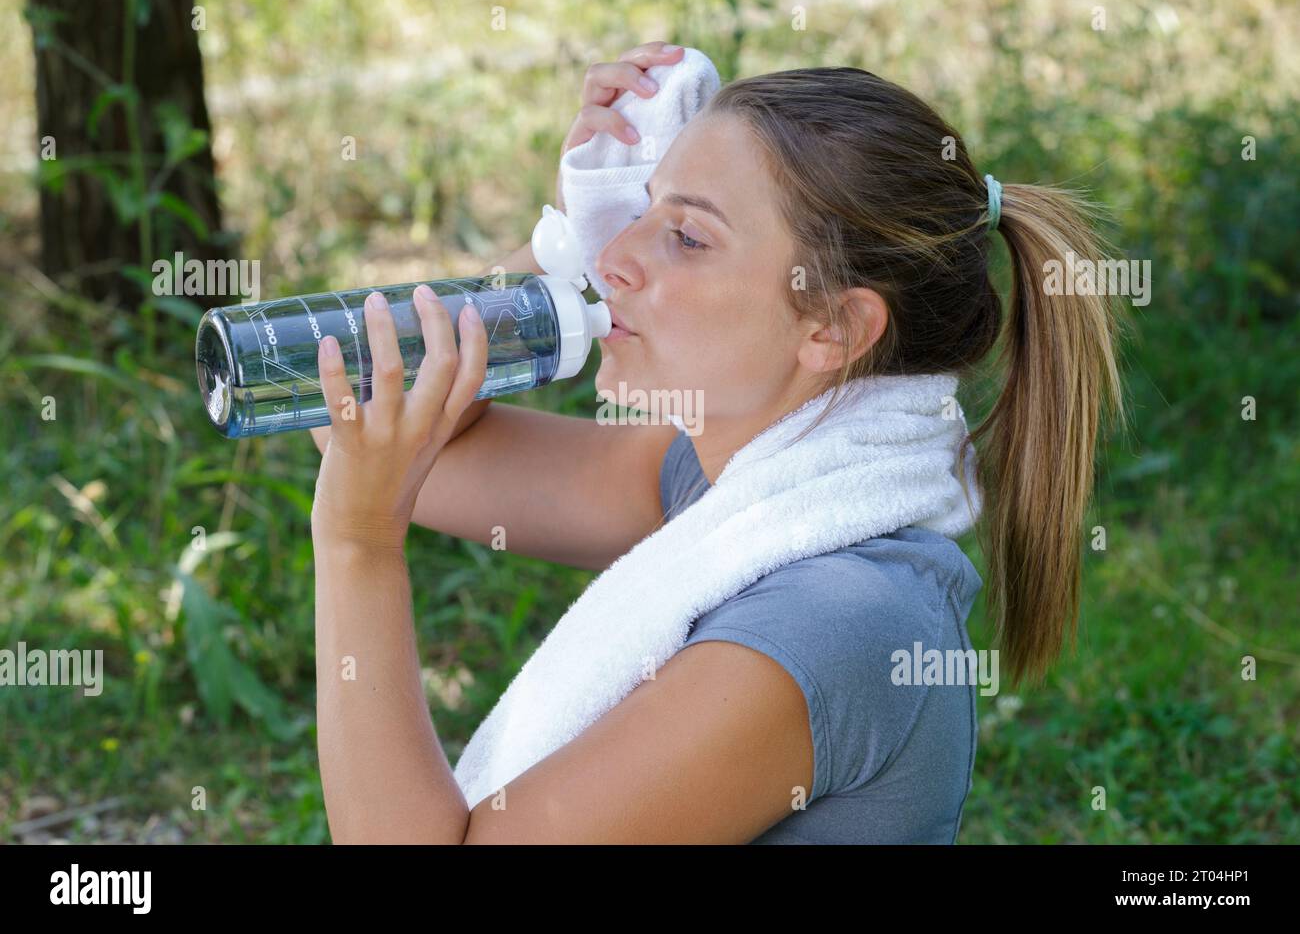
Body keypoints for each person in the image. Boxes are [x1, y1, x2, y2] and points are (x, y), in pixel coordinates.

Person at [307, 41, 1127, 844]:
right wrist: (562, 236)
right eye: (638, 209)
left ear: (835, 327)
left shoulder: (834, 624)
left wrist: (356, 545)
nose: (614, 259)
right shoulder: (737, 486)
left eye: (688, 238)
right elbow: (378, 421)